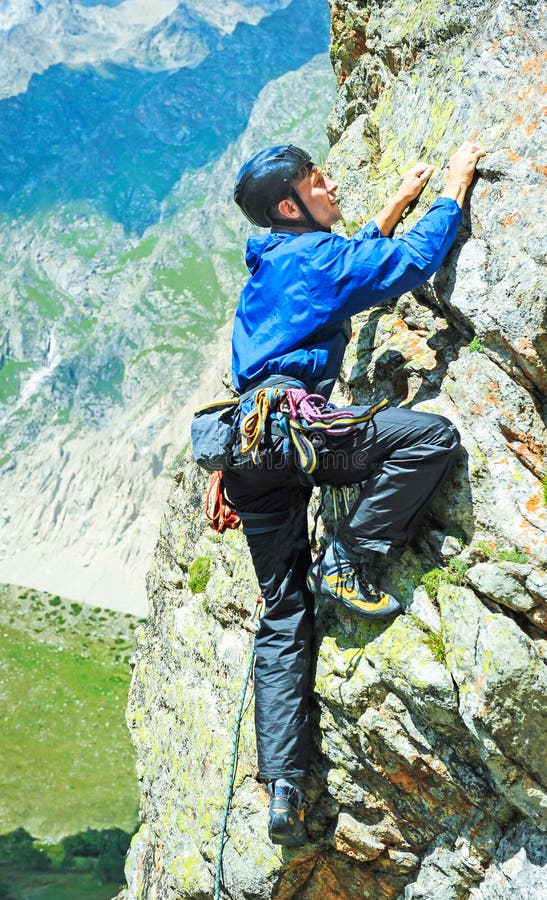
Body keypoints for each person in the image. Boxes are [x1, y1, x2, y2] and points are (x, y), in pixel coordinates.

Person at [222, 140, 486, 847]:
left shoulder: (279, 261)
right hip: (299, 434)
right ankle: (349, 557)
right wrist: (451, 191)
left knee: (281, 611)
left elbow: (343, 269)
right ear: (290, 204)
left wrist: (393, 203)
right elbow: (402, 267)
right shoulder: (311, 260)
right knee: (426, 440)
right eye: (318, 181)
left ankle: (282, 787)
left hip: (246, 446)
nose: (331, 183)